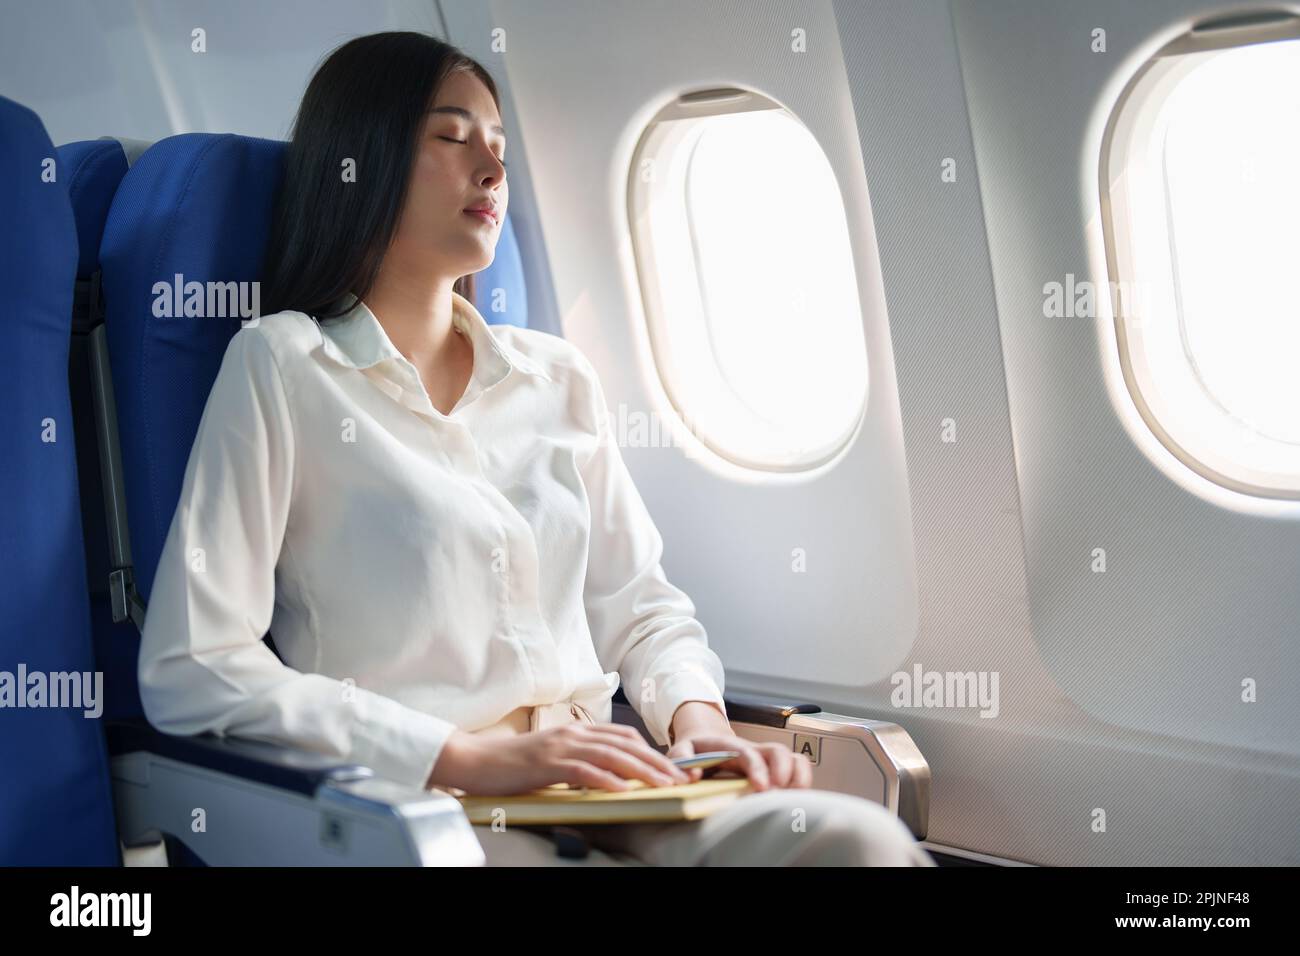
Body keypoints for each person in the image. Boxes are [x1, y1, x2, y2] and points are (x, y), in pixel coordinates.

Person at [136, 31, 934, 868]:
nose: (490, 168)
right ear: (362, 162)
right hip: (426, 817)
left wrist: (700, 730)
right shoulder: (285, 367)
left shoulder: (555, 377)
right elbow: (194, 664)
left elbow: (643, 609)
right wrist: (464, 756)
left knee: (856, 841)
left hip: (610, 783)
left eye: (500, 147)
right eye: (451, 137)